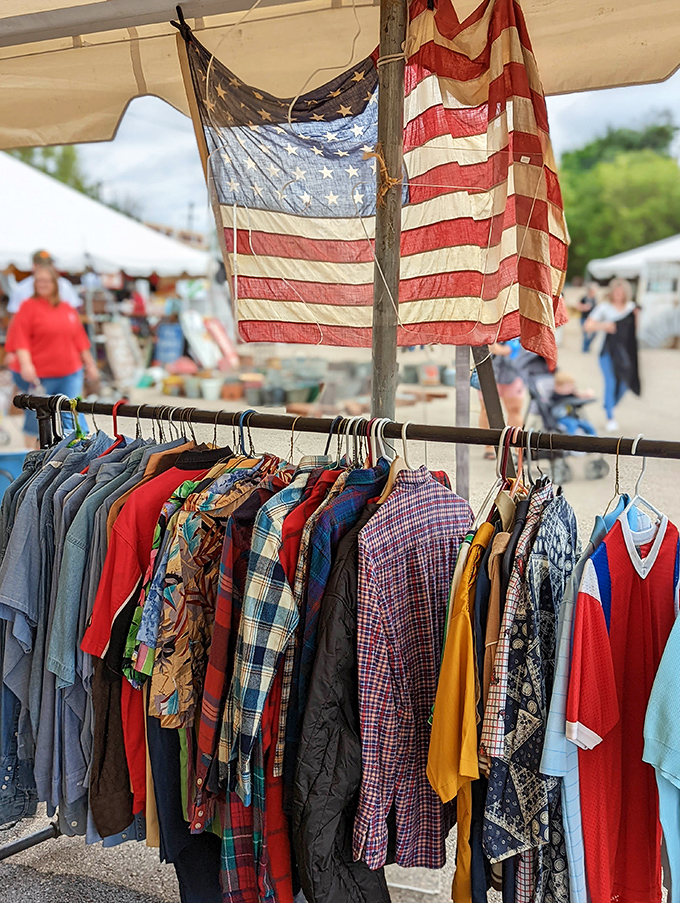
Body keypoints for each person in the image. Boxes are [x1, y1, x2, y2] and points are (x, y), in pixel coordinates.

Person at [6, 264, 98, 447]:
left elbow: (79, 339)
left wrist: (90, 364)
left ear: (55, 283)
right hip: (39, 375)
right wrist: (26, 364)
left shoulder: (66, 308)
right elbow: (20, 339)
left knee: (71, 413)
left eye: (46, 281)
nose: (42, 284)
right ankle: (37, 459)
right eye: (38, 281)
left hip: (69, 371)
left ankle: (78, 453)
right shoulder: (27, 307)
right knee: (39, 418)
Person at [584, 277, 640, 431]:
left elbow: (635, 331)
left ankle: (609, 404)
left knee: (625, 383)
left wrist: (637, 317)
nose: (618, 294)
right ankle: (610, 416)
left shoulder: (631, 307)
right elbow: (587, 326)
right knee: (611, 382)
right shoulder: (604, 308)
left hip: (624, 353)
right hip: (607, 352)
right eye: (616, 291)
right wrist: (604, 326)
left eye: (621, 291)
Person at [475, 339, 526, 459]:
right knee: (486, 410)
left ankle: (517, 448)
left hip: (512, 374)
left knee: (514, 411)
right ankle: (489, 447)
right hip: (488, 372)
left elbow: (502, 350)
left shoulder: (515, 329)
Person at [8, 250, 82, 313]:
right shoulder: (21, 288)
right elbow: (15, 315)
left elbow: (74, 311)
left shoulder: (64, 285)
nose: (47, 268)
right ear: (34, 266)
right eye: (43, 265)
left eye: (49, 264)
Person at [574, 282, 598, 352]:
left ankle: (587, 346)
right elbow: (578, 307)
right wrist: (585, 307)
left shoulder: (595, 299)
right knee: (586, 335)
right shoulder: (584, 298)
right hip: (584, 318)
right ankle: (585, 349)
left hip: (593, 320)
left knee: (594, 334)